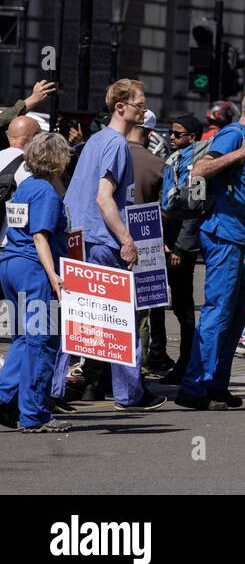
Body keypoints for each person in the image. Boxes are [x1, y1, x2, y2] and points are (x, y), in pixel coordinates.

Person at [54, 79, 164, 411]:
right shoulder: (116, 144)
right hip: (102, 242)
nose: (143, 110)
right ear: (121, 107)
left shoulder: (95, 142)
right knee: (121, 318)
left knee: (74, 318)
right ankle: (130, 394)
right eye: (139, 104)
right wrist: (127, 240)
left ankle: (53, 388)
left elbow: (78, 195)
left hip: (78, 239)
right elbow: (105, 199)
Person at [176, 89, 245, 411]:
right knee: (218, 310)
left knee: (237, 313)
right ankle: (194, 387)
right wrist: (239, 154)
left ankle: (217, 383)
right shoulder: (235, 134)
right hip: (224, 236)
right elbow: (200, 170)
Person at [0, 133, 72, 432]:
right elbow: (40, 236)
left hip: (9, 264)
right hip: (33, 270)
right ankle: (34, 415)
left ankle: (4, 396)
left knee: (22, 339)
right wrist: (54, 275)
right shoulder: (45, 192)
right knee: (41, 341)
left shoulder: (25, 187)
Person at [159, 114, 204, 384]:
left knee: (184, 306)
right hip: (170, 239)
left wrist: (180, 248)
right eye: (171, 133)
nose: (172, 138)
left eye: (178, 134)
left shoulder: (198, 164)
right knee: (177, 305)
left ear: (192, 137)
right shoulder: (174, 160)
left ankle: (187, 362)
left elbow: (194, 211)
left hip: (181, 247)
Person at [125, 110, 170, 375]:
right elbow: (167, 207)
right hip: (143, 243)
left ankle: (95, 378)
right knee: (139, 314)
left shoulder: (106, 153)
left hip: (107, 241)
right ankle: (136, 374)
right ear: (150, 133)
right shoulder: (156, 164)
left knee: (103, 311)